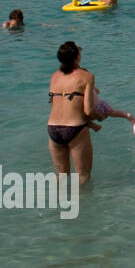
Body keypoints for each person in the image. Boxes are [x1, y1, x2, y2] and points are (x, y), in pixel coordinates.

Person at [48, 41, 97, 183]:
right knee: (83, 175)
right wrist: (100, 117)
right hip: (75, 128)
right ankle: (82, 204)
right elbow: (88, 110)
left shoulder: (54, 76)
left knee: (61, 175)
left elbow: (55, 104)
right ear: (77, 58)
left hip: (53, 128)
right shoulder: (87, 77)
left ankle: (57, 202)